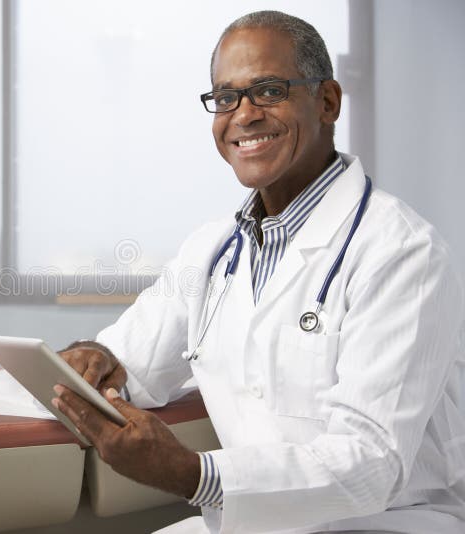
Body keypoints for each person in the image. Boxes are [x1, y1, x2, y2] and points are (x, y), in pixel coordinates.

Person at [52, 10, 465, 534]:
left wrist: (193, 474)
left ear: (328, 102)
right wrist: (97, 360)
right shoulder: (212, 250)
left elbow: (372, 463)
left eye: (268, 90)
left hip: (388, 522)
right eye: (225, 97)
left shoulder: (403, 253)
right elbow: (128, 364)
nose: (243, 115)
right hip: (255, 521)